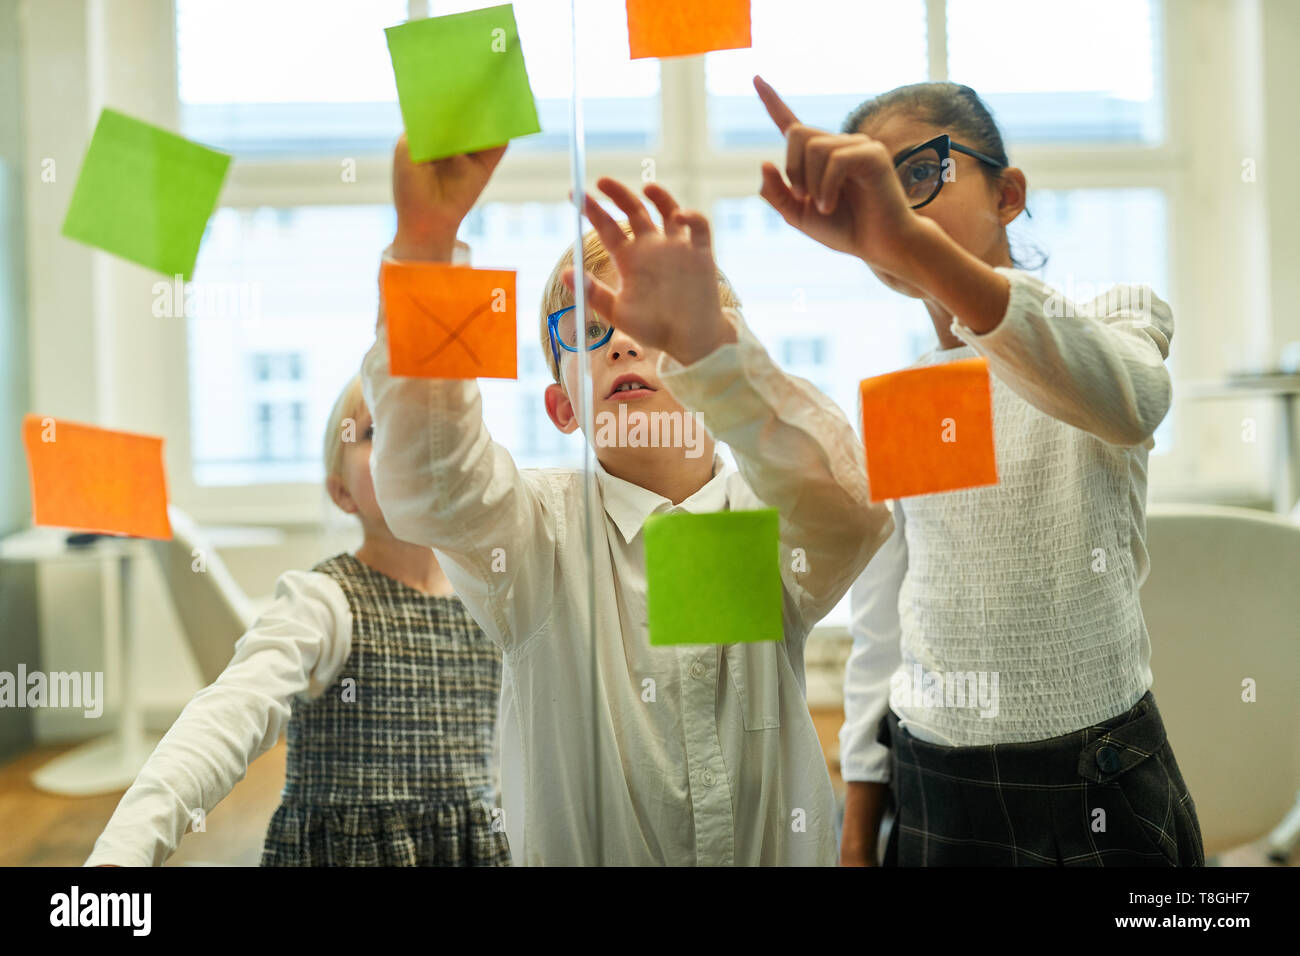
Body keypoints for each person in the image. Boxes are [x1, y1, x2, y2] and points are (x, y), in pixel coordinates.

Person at [360, 136, 892, 865]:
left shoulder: (766, 522)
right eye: (586, 332)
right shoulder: (533, 536)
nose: (619, 345)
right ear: (562, 407)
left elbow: (852, 512)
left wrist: (715, 355)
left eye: (651, 323)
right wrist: (425, 247)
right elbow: (431, 480)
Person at [750, 75, 1201, 866]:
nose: (897, 209)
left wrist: (911, 243)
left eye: (919, 173)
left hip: (1093, 777)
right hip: (934, 782)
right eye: (873, 196)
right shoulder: (909, 397)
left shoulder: (1110, 317)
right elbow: (884, 630)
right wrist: (857, 836)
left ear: (1008, 194)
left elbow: (1130, 399)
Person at [85, 376, 510, 866]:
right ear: (342, 493)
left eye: (425, 424)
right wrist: (125, 851)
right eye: (375, 430)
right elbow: (228, 714)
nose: (406, 438)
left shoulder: (490, 599)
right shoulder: (325, 601)